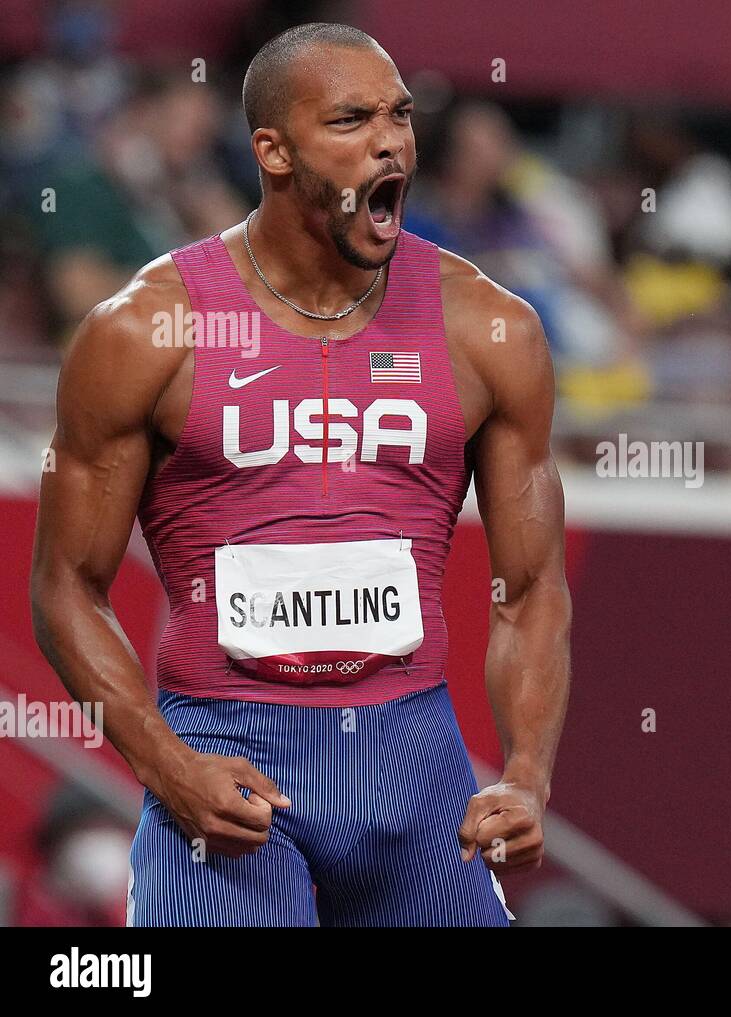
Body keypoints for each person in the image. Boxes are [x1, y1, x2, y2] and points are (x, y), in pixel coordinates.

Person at [29, 22, 572, 926]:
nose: (390, 139)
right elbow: (65, 586)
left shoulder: (489, 329)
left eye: (399, 115)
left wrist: (526, 774)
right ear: (272, 151)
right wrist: (166, 765)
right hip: (225, 767)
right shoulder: (146, 332)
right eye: (352, 118)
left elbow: (532, 588)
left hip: (417, 779)